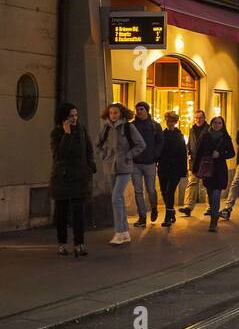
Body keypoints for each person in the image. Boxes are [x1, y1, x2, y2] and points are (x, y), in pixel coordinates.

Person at [50, 102, 96, 257]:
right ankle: (62, 244)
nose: (74, 118)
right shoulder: (57, 133)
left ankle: (79, 243)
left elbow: (89, 150)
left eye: (76, 115)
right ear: (64, 117)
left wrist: (90, 168)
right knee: (62, 213)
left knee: (79, 213)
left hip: (79, 177)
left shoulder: (82, 130)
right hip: (62, 178)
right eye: (71, 116)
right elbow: (59, 155)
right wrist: (67, 134)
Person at [97, 103, 145, 245]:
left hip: (125, 167)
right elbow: (97, 143)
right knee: (118, 200)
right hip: (110, 167)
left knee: (116, 197)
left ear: (121, 114)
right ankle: (125, 232)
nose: (113, 115)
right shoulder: (105, 128)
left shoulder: (129, 127)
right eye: (111, 113)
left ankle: (119, 232)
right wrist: (103, 155)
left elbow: (141, 144)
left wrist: (129, 155)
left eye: (116, 113)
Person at [192, 116, 235, 232]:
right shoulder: (205, 136)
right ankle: (213, 212)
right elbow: (198, 152)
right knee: (210, 194)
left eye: (219, 123)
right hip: (207, 169)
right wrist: (195, 169)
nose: (217, 125)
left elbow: (231, 153)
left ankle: (213, 221)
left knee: (216, 195)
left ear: (222, 125)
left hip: (220, 170)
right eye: (215, 123)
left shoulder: (225, 137)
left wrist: (220, 154)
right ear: (211, 124)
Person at [129, 101, 164, 227]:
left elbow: (160, 142)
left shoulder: (155, 126)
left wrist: (155, 154)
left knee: (151, 189)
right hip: (135, 163)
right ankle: (142, 216)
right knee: (138, 190)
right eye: (137, 109)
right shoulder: (132, 126)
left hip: (149, 163)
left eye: (141, 109)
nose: (139, 111)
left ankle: (154, 208)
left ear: (147, 110)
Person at [156, 111, 187, 228]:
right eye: (169, 121)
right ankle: (171, 211)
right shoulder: (162, 135)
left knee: (170, 191)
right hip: (163, 167)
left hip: (176, 169)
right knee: (164, 192)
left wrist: (184, 170)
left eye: (173, 121)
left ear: (175, 122)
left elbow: (183, 153)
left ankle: (168, 217)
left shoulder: (179, 136)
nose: (170, 123)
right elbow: (158, 150)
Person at [178, 109, 208, 217]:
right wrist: (188, 152)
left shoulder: (208, 129)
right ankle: (188, 207)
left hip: (205, 161)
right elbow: (190, 143)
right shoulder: (192, 129)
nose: (198, 120)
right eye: (196, 118)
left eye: (200, 117)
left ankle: (210, 207)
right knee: (192, 183)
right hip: (194, 161)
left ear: (204, 118)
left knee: (207, 185)